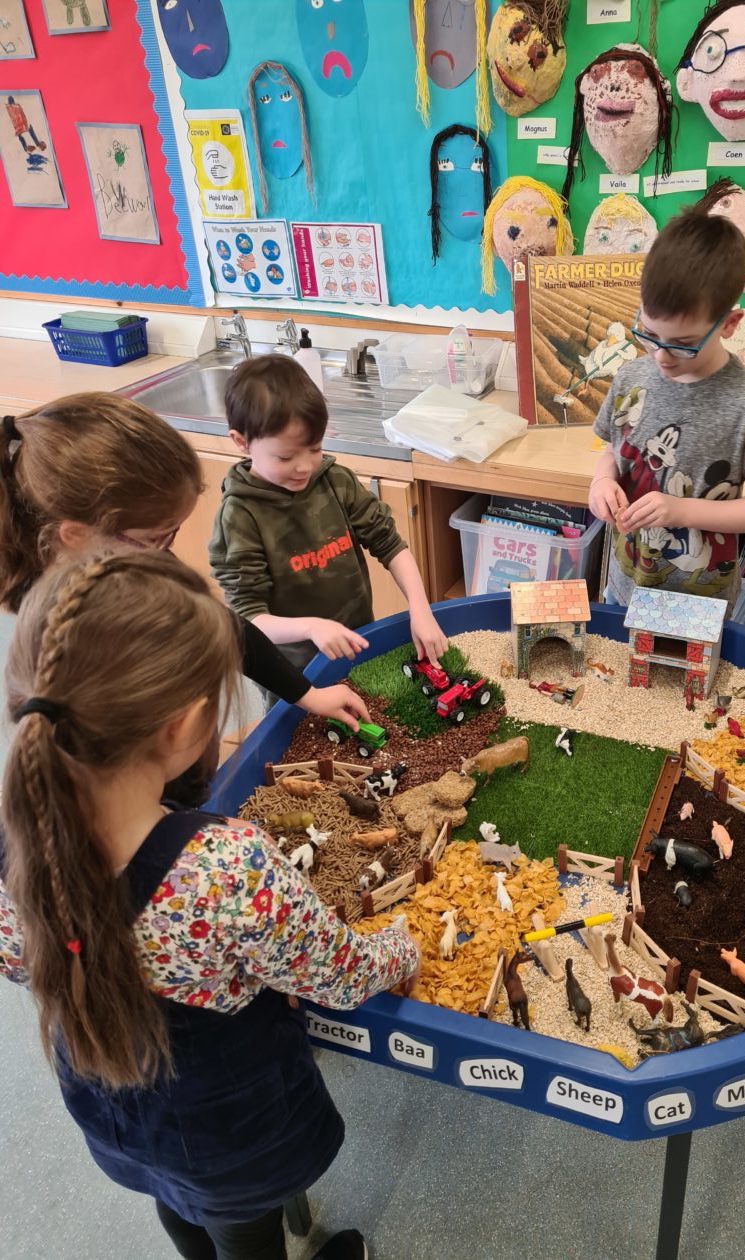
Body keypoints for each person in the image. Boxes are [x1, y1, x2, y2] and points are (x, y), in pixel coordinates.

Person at [0, 550, 419, 1260]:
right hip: (228, 1129)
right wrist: (401, 946)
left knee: (178, 1206)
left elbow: (21, 960)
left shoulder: (20, 838)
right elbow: (341, 976)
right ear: (183, 727)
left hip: (111, 1108)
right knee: (242, 1234)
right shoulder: (224, 865)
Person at [0, 397, 369, 773]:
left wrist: (308, 694)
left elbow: (224, 625)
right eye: (158, 537)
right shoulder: (47, 638)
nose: (168, 549)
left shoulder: (126, 555)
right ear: (76, 536)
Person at [588, 209, 745, 609]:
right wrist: (601, 482)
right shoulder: (631, 377)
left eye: (682, 342)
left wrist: (680, 510)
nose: (662, 356)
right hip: (625, 583)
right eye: (649, 333)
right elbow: (612, 451)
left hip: (699, 599)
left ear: (730, 324)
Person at [210, 355, 446, 697]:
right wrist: (312, 628)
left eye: (315, 448)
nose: (304, 467)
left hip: (359, 647)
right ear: (242, 442)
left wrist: (420, 607)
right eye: (285, 457)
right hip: (294, 677)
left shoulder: (335, 481)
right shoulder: (240, 516)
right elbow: (249, 619)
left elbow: (390, 544)